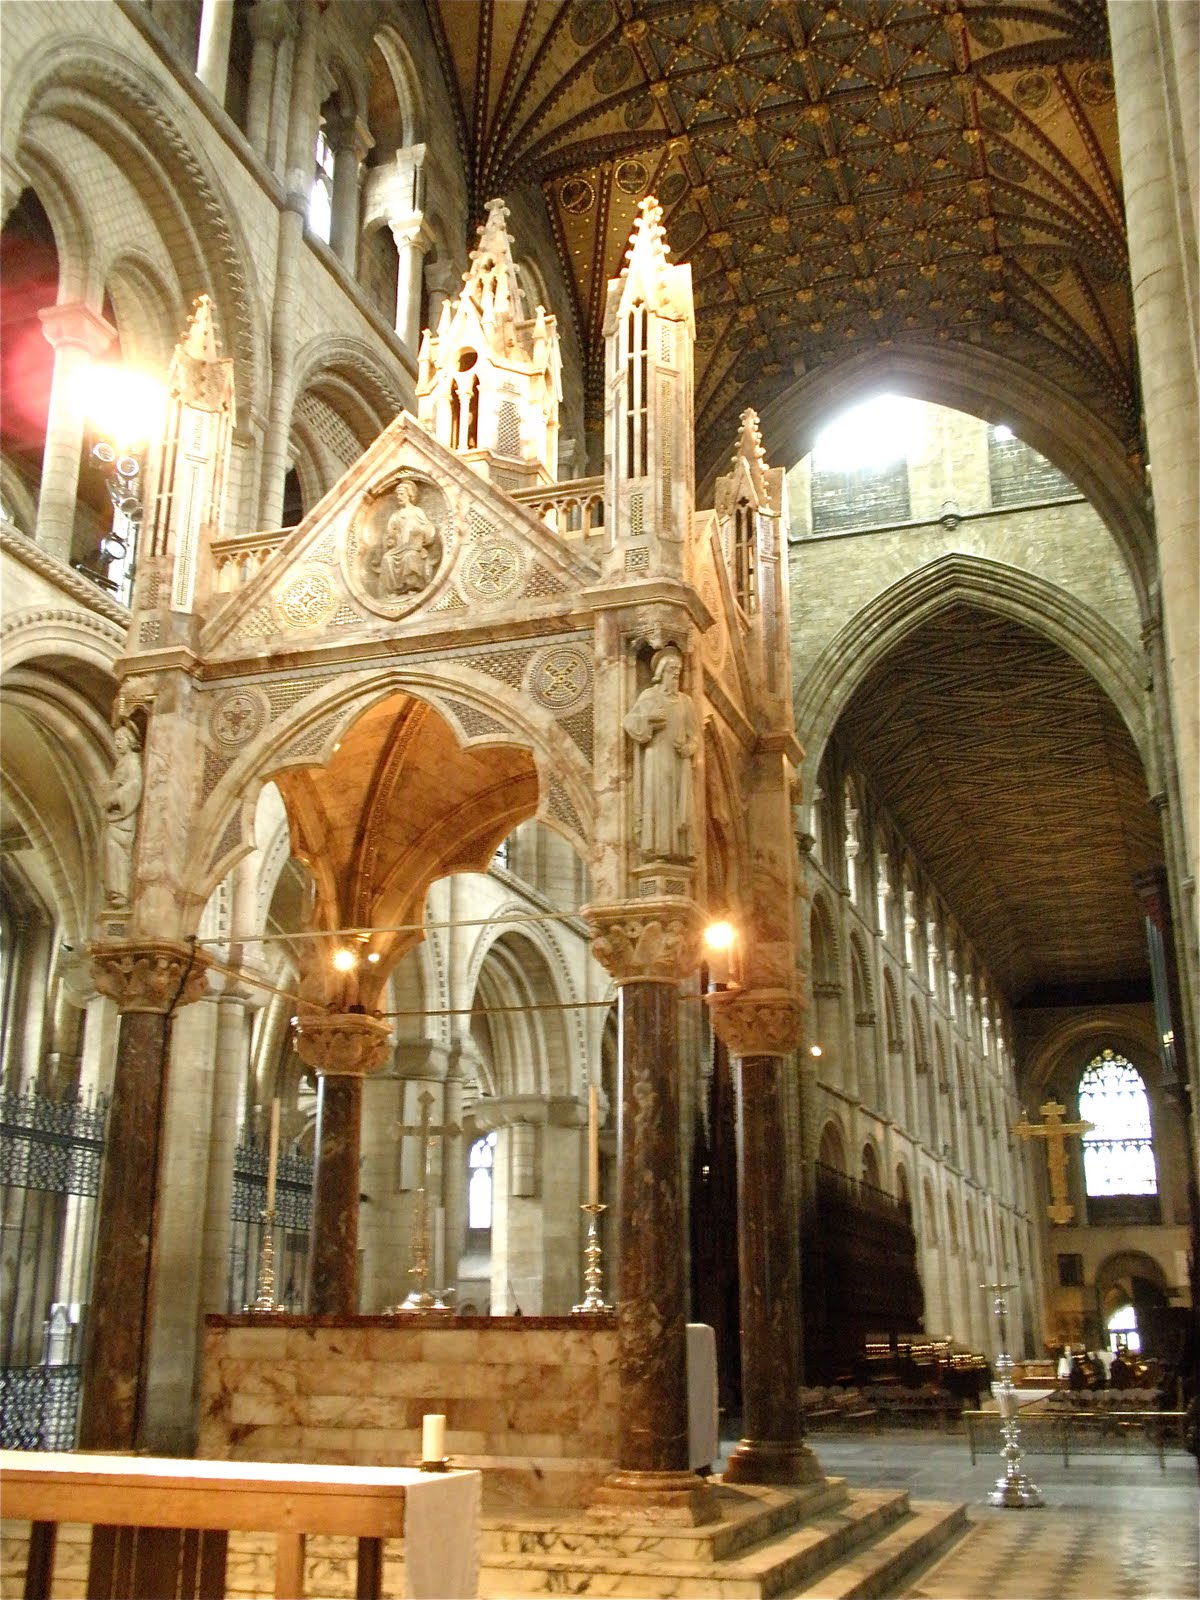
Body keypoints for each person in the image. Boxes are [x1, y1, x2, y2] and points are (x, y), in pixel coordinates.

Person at [623, 646, 697, 861]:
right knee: (657, 801)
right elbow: (630, 723)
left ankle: (678, 851)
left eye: (679, 669)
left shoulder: (686, 702)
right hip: (655, 758)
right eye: (672, 668)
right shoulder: (650, 695)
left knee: (676, 804)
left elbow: (695, 736)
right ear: (661, 671)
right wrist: (649, 719)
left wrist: (688, 748)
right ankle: (657, 849)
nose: (676, 673)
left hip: (678, 761)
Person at [103, 720, 143, 906]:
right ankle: (115, 891)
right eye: (116, 739)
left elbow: (135, 785)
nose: (117, 743)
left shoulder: (132, 761)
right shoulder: (124, 762)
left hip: (123, 817)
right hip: (117, 817)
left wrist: (115, 797)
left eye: (121, 739)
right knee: (111, 850)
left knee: (116, 848)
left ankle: (120, 892)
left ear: (130, 740)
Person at [377, 480, 436, 594]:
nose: (399, 497)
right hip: (398, 548)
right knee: (387, 559)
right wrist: (390, 539)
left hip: (412, 547)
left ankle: (412, 587)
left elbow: (428, 528)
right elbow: (390, 533)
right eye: (397, 494)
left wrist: (420, 532)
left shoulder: (416, 511)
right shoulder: (395, 516)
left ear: (409, 495)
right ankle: (394, 591)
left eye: (402, 494)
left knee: (410, 557)